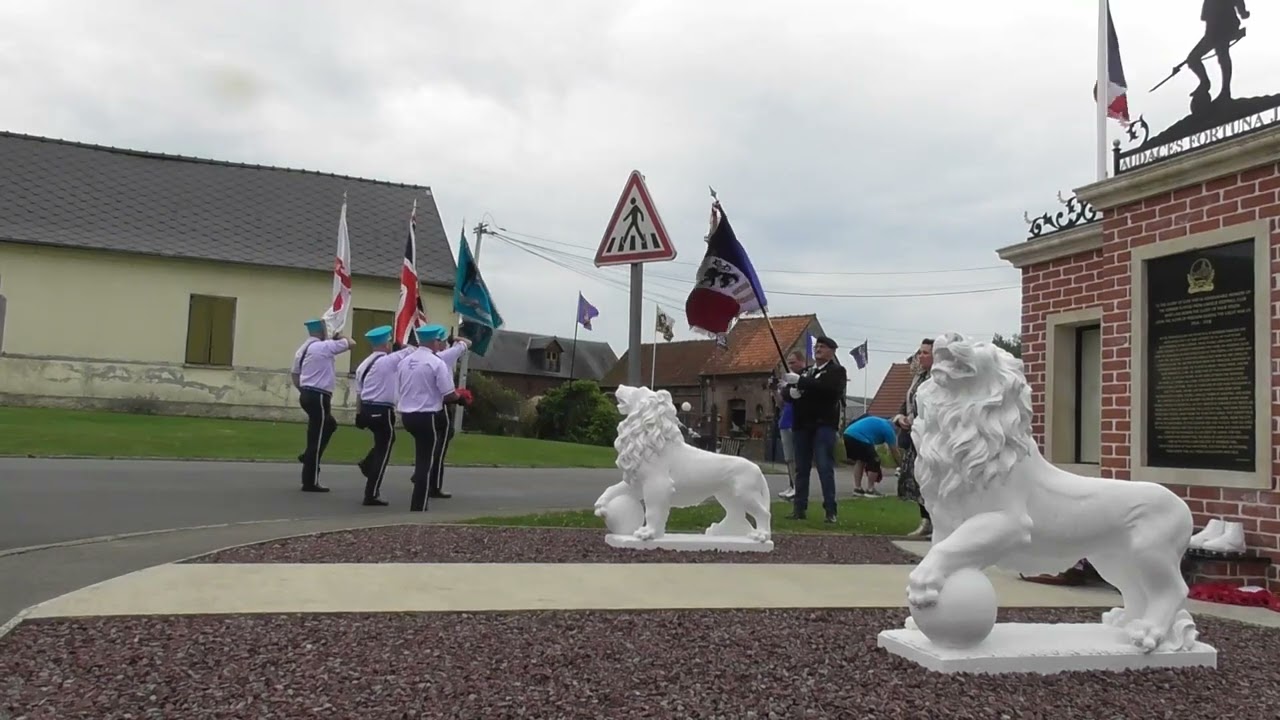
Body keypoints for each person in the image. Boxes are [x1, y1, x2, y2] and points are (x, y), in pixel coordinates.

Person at [782, 336, 847, 523]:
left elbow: (829, 390)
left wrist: (801, 382)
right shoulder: (807, 371)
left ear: (832, 352)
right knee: (801, 469)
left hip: (823, 425)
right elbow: (787, 389)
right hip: (802, 425)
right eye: (817, 346)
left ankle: (830, 510)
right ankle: (799, 508)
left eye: (823, 347)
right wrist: (790, 392)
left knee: (824, 467)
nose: (818, 349)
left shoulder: (836, 371)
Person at [397, 324, 462, 512]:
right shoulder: (436, 362)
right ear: (434, 341)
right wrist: (461, 397)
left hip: (407, 415)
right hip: (426, 415)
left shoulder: (405, 362)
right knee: (426, 460)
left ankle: (419, 483)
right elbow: (448, 394)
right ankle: (419, 504)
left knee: (421, 455)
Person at [352, 325, 417, 506]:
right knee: (383, 451)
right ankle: (371, 493)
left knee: (385, 441)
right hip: (382, 411)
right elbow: (413, 350)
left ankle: (367, 463)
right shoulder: (388, 361)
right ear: (386, 344)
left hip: (366, 408)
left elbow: (359, 392)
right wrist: (402, 343)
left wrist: (358, 413)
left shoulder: (364, 364)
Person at [291, 318, 354, 493]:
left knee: (329, 425)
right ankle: (310, 480)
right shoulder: (324, 347)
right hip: (319, 395)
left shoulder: (302, 349)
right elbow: (351, 343)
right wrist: (339, 335)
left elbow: (294, 374)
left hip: (307, 393)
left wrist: (303, 390)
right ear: (322, 331)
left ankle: (308, 456)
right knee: (317, 437)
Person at [420, 330, 471, 499]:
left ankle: (422, 473)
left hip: (424, 406)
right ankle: (434, 485)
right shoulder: (446, 356)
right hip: (442, 404)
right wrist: (455, 338)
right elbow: (467, 343)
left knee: (428, 444)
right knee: (441, 446)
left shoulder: (422, 358)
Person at [893, 338, 934, 537]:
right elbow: (908, 400)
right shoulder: (919, 377)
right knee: (917, 477)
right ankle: (925, 520)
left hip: (931, 436)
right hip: (913, 434)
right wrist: (900, 417)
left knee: (930, 478)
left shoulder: (938, 378)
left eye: (926, 353)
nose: (921, 356)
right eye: (920, 352)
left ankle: (937, 520)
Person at [842, 413, 902, 497]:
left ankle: (857, 488)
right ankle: (870, 489)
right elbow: (894, 452)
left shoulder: (883, 423)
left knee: (861, 460)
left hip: (848, 434)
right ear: (897, 427)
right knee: (875, 460)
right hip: (859, 436)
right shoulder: (889, 430)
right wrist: (901, 466)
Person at [775, 349, 808, 500]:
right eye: (789, 363)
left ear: (801, 362)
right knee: (788, 457)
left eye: (793, 362)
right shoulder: (788, 382)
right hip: (785, 420)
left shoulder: (804, 379)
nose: (790, 365)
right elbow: (781, 404)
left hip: (796, 422)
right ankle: (792, 484)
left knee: (795, 457)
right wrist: (776, 391)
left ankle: (797, 487)